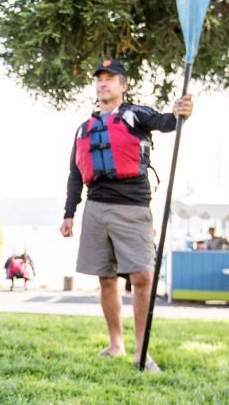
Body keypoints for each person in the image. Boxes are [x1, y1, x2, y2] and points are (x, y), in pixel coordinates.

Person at [60, 59, 192, 374]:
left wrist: (181, 112)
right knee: (105, 278)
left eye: (110, 78)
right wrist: (69, 213)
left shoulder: (135, 115)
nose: (103, 83)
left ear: (123, 85)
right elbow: (75, 174)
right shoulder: (84, 128)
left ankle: (141, 351)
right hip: (96, 207)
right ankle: (115, 343)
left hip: (133, 206)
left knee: (142, 276)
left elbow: (167, 122)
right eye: (99, 79)